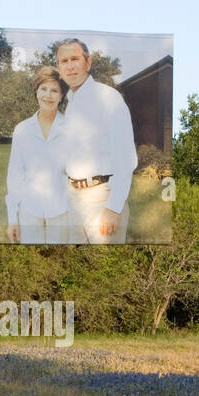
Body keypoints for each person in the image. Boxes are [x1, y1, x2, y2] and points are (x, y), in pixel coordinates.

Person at [56, 38, 137, 244]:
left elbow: (126, 156)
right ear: (59, 68)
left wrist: (113, 207)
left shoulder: (107, 98)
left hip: (101, 199)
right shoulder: (71, 102)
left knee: (105, 271)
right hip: (75, 200)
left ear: (88, 62)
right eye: (64, 61)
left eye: (75, 59)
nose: (70, 66)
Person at [5, 66, 69, 243]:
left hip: (62, 212)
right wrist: (12, 219)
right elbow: (15, 175)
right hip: (29, 212)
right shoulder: (22, 129)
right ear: (36, 91)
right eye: (44, 89)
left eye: (54, 91)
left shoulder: (71, 128)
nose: (48, 95)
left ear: (61, 96)